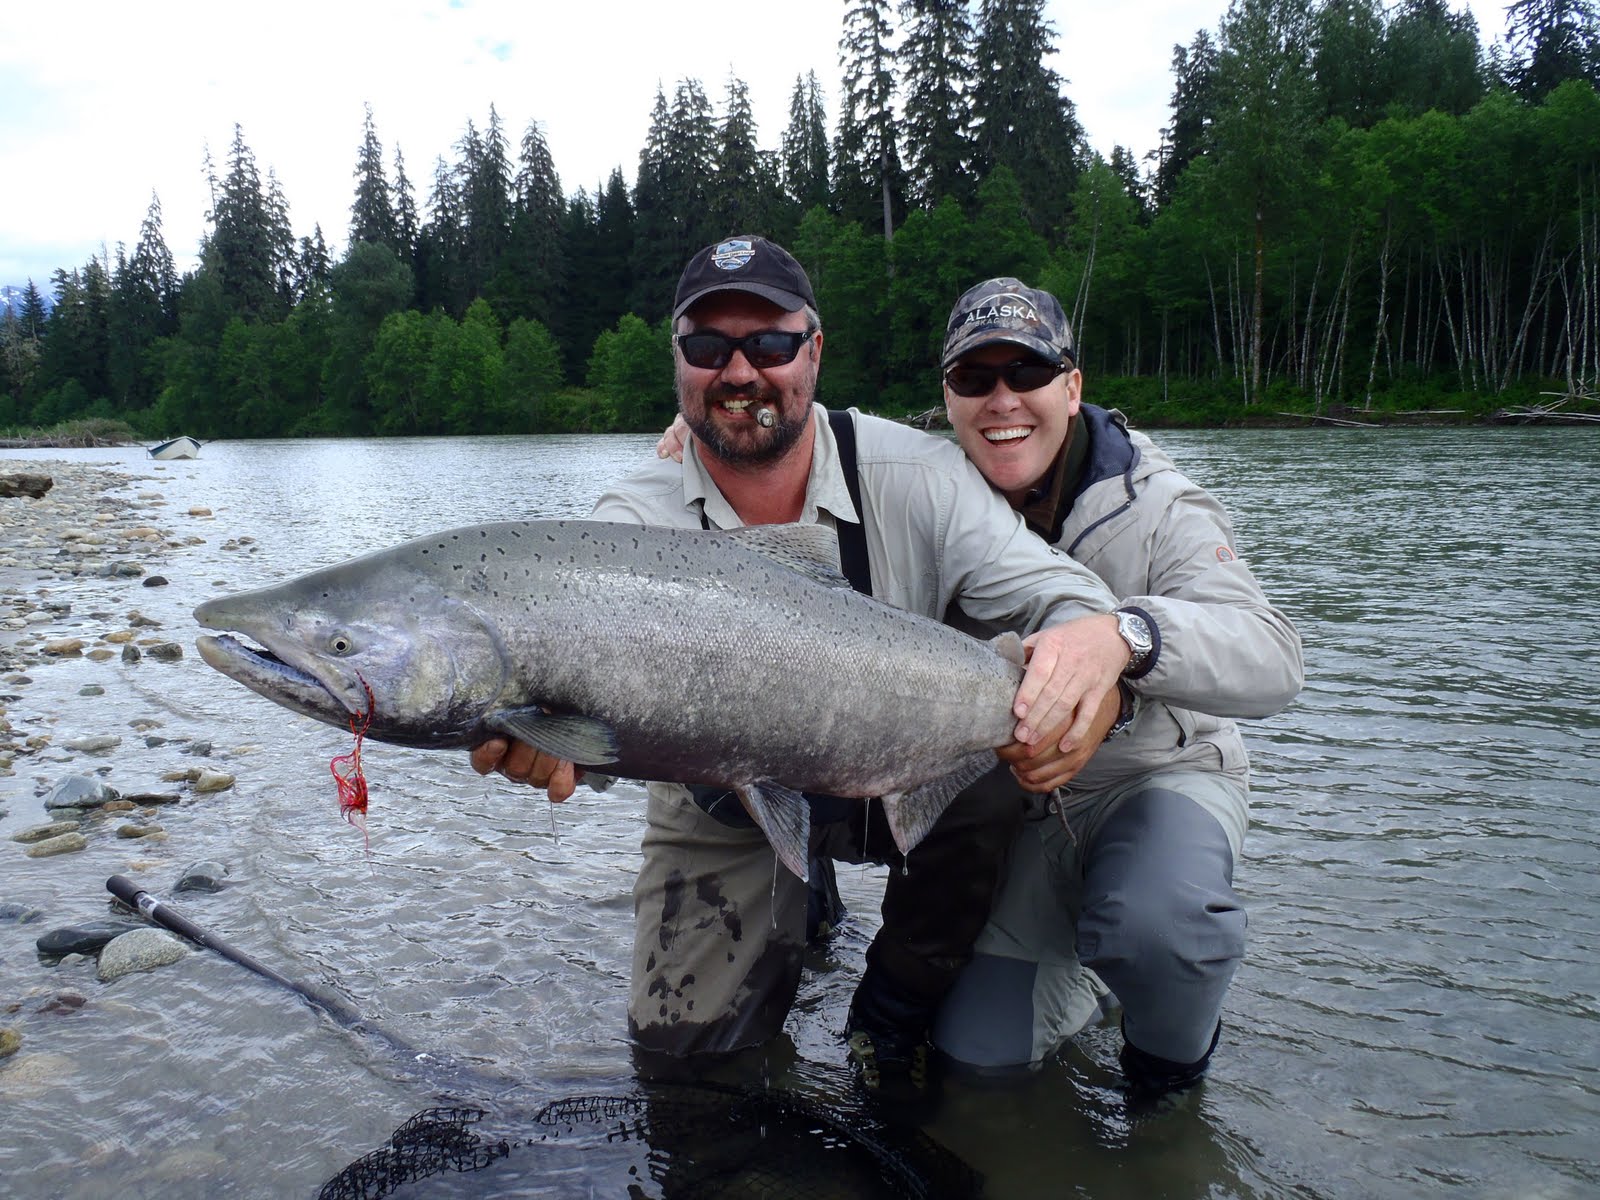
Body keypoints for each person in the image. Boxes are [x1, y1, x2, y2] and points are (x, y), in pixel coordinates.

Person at [470, 238, 1133, 1087]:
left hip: (916, 770)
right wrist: (553, 749)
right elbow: (597, 733)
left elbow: (1073, 601)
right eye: (709, 348)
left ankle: (899, 994)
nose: (741, 371)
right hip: (723, 807)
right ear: (678, 363)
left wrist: (1100, 661)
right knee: (684, 1066)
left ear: (813, 351)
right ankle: (799, 902)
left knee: (989, 758)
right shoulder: (627, 527)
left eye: (771, 345)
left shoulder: (916, 472)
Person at [659, 276, 1304, 1098]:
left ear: (1072, 386)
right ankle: (1065, 960)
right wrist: (709, 428)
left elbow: (1274, 653)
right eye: (974, 380)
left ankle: (1168, 1081)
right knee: (973, 1063)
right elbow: (793, 415)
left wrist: (1126, 638)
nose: (1002, 402)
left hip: (1145, 781)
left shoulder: (1159, 505)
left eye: (1026, 375)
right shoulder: (929, 485)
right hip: (1018, 820)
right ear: (949, 398)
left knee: (1157, 930)